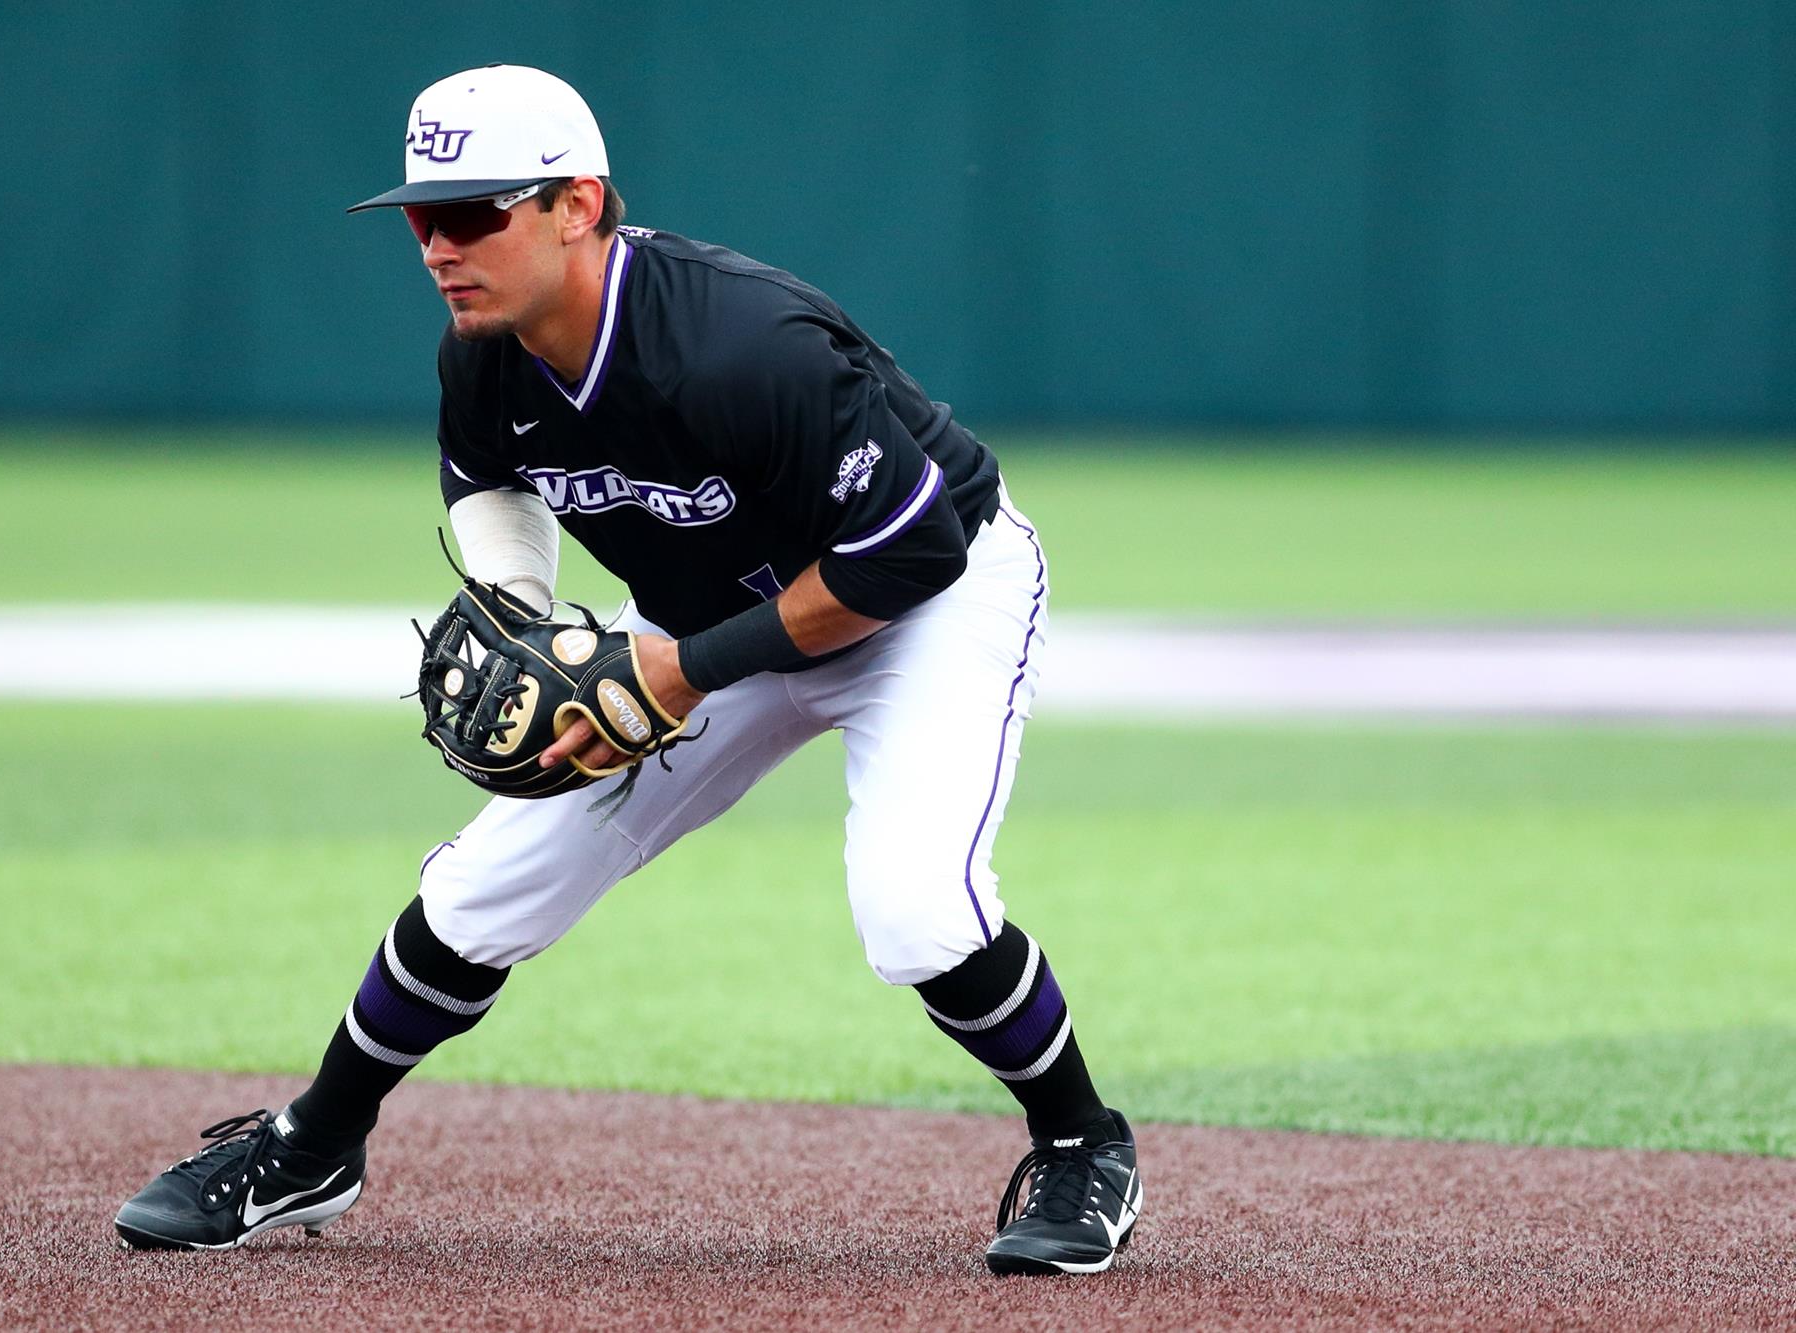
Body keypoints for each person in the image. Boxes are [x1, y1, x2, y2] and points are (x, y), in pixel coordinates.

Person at [113, 63, 1141, 1276]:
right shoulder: (484, 351)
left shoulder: (738, 342)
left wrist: (683, 673)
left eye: (475, 213)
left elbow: (903, 551)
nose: (440, 247)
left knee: (915, 908)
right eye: (421, 218)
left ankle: (1083, 1141)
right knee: (486, 884)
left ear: (575, 204)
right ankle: (313, 1142)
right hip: (709, 628)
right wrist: (520, 608)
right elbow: (485, 481)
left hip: (928, 599)